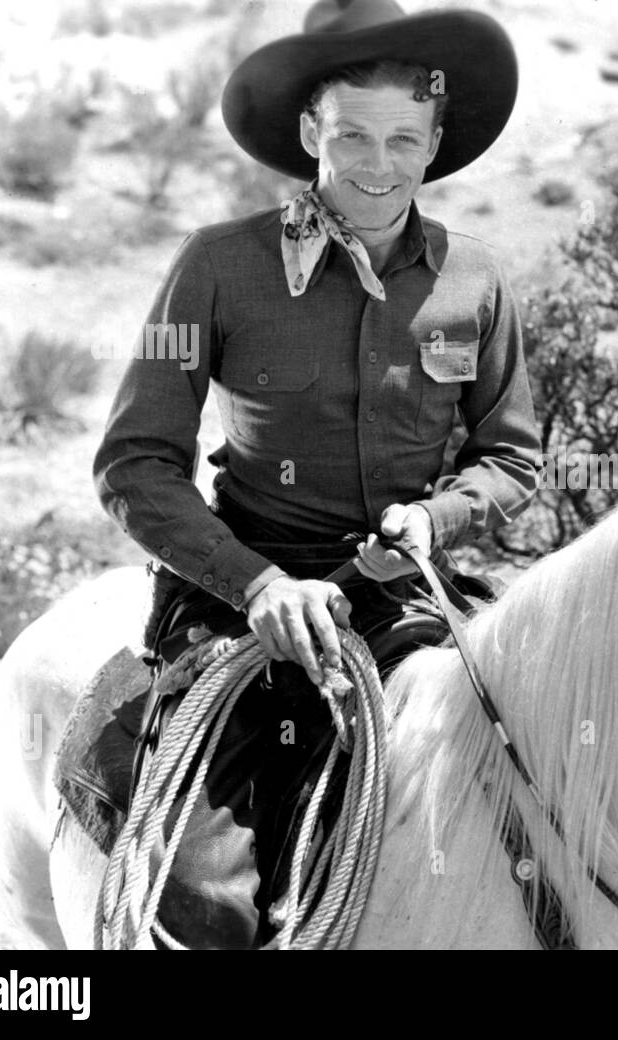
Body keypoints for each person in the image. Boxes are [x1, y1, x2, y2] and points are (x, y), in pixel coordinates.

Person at [93, 0, 540, 686]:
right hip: (242, 596)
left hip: (405, 593)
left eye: (403, 141)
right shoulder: (215, 265)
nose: (380, 165)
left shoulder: (474, 278)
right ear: (311, 131)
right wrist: (256, 583)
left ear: (434, 141)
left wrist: (435, 519)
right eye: (352, 136)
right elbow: (135, 461)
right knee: (209, 792)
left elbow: (510, 456)